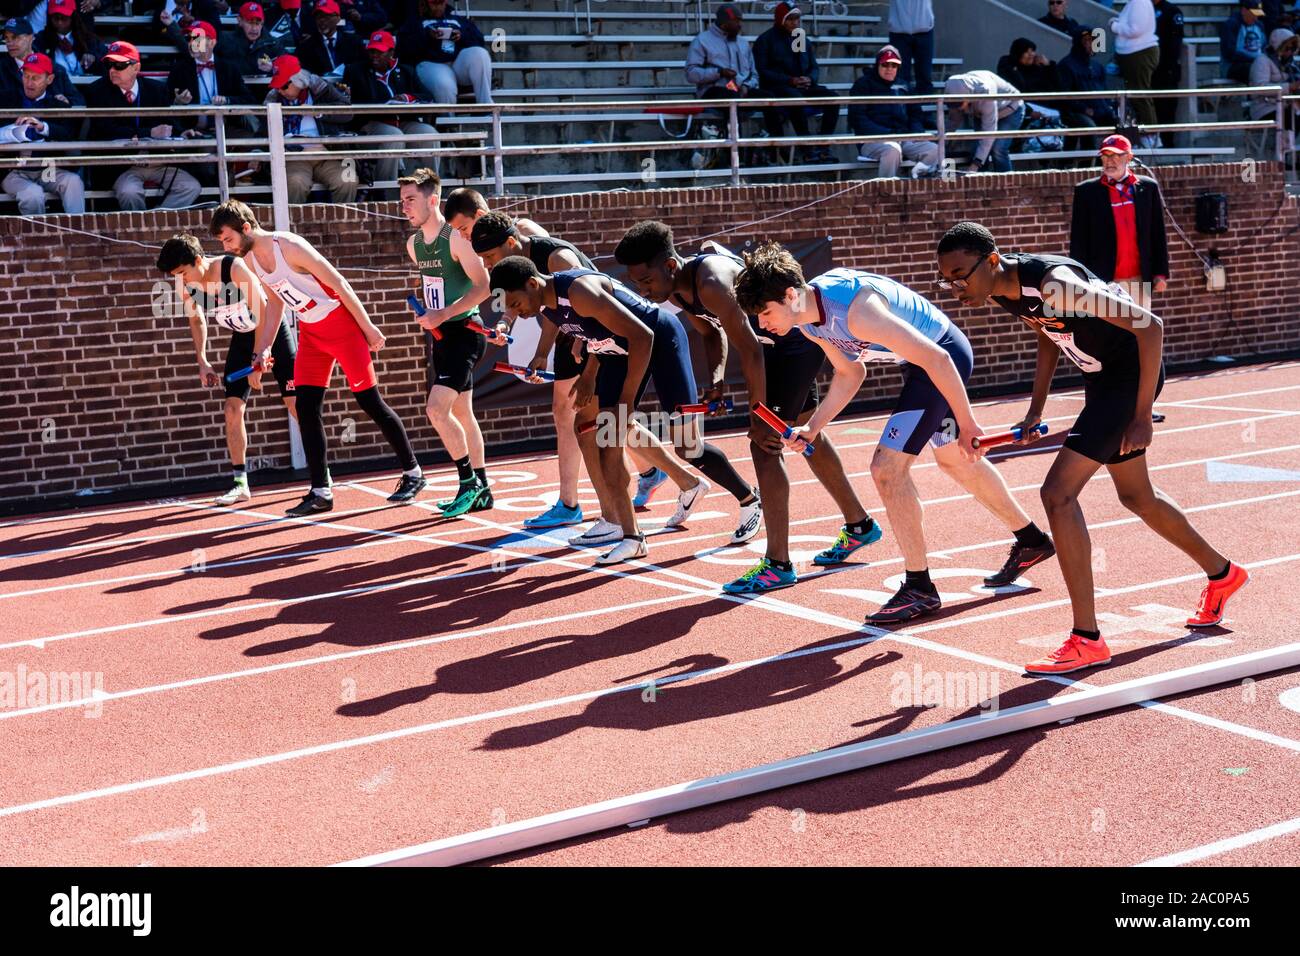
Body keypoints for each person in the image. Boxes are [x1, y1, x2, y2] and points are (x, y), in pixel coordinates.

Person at [937, 221, 1247, 675]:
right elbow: (1046, 332)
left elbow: (1150, 326)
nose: (953, 287)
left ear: (992, 261)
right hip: (1102, 381)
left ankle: (1087, 639)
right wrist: (1034, 410)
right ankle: (1223, 574)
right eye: (945, 279)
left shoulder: (1059, 286)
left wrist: (1142, 416)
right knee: (1136, 496)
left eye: (960, 275)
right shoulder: (1003, 289)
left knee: (1057, 494)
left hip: (1130, 378)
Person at [736, 242, 1055, 621]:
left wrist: (967, 421)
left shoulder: (856, 309)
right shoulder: (806, 318)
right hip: (919, 364)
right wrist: (813, 426)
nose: (762, 324)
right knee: (956, 462)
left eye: (765, 312)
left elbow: (938, 358)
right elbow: (851, 372)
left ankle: (919, 587)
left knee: (887, 469)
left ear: (790, 294)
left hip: (941, 356)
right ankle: (1032, 540)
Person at [617, 222, 884, 594]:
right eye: (636, 284)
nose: (642, 290)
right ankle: (860, 525)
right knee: (806, 431)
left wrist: (759, 414)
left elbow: (753, 349)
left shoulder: (710, 282)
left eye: (645, 281)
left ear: (671, 266)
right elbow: (712, 333)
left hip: (791, 341)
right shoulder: (677, 292)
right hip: (774, 346)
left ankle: (778, 564)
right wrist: (717, 377)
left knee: (765, 444)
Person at [489, 257, 717, 565]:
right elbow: (596, 334)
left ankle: (745, 499)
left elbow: (641, 336)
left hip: (657, 341)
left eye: (516, 304)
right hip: (616, 352)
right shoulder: (544, 302)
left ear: (533, 284)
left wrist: (626, 398)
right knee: (602, 442)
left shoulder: (580, 292)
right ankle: (629, 534)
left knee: (684, 442)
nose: (517, 313)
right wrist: (556, 362)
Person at [209, 199, 427, 515]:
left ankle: (413, 473)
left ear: (246, 228)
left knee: (369, 401)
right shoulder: (254, 261)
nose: (227, 248)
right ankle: (321, 491)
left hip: (342, 327)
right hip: (312, 334)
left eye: (228, 239)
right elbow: (274, 306)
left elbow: (338, 282)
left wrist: (368, 327)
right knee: (306, 407)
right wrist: (264, 349)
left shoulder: (289, 246)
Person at [156, 233, 299, 505]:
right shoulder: (184, 284)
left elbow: (261, 311)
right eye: (176, 275)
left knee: (295, 404)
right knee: (232, 408)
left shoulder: (233, 268)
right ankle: (240, 483)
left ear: (199, 260)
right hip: (243, 337)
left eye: (184, 273)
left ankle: (321, 476)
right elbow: (196, 318)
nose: (181, 280)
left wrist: (259, 358)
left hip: (270, 331)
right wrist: (202, 359)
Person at [398, 167, 496, 518]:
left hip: (464, 333)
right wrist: (429, 312)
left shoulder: (454, 238)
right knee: (462, 414)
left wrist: (444, 313)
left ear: (433, 200)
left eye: (411, 200)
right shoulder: (414, 245)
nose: (404, 207)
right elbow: (435, 286)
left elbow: (482, 286)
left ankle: (467, 482)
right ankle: (483, 489)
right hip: (441, 336)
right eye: (402, 201)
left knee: (436, 410)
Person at [85, 41, 204, 211]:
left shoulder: (156, 89)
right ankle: (141, 229)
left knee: (191, 187)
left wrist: (182, 132)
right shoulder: (96, 90)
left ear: (136, 68)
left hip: (158, 162)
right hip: (122, 165)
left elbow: (167, 123)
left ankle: (158, 219)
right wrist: (148, 132)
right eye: (109, 65)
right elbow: (104, 130)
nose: (112, 70)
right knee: (129, 192)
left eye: (119, 65)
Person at [1070, 133, 1170, 312]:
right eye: (1105, 156)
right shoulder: (1086, 192)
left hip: (1140, 279)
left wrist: (1160, 273)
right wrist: (1080, 279)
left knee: (1141, 332)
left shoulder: (1147, 188)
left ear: (1129, 157)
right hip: (1103, 280)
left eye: (1115, 155)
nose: (1109, 161)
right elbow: (1078, 241)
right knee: (1109, 336)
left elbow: (1157, 233)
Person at [341, 30, 439, 193]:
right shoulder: (355, 71)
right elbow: (351, 104)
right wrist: (384, 104)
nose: (374, 55)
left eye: (379, 51)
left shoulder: (406, 70)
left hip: (404, 121)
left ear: (391, 52)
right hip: (372, 124)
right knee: (394, 136)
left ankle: (432, 189)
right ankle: (385, 192)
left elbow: (427, 95)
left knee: (429, 133)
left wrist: (406, 98)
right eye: (372, 51)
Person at [264, 53, 358, 204]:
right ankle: (292, 226)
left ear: (298, 81)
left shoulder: (320, 88)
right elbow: (263, 129)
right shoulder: (273, 97)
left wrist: (318, 111)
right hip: (293, 156)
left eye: (284, 85)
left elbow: (348, 113)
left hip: (326, 153)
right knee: (295, 183)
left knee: (348, 180)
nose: (280, 90)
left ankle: (341, 225)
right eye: (277, 85)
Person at [753, 2, 838, 162]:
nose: (795, 23)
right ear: (780, 20)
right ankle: (807, 150)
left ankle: (823, 146)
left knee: (833, 98)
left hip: (802, 86)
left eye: (797, 18)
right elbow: (763, 72)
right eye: (790, 19)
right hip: (778, 87)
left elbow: (813, 66)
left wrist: (809, 78)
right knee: (795, 100)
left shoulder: (800, 37)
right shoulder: (765, 40)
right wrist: (790, 80)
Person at [0, 51, 83, 213]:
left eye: (36, 77)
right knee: (33, 195)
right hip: (13, 169)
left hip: (47, 169)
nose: (29, 82)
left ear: (49, 79)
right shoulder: (5, 99)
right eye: (26, 76)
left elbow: (68, 134)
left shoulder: (58, 105)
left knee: (73, 182)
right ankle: (37, 238)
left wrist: (42, 126)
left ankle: (79, 235)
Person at [849, 45, 938, 177]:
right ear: (877, 65)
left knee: (935, 149)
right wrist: (888, 134)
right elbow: (858, 119)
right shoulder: (862, 85)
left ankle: (917, 181)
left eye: (894, 65)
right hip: (872, 140)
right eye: (885, 64)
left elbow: (915, 114)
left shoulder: (904, 86)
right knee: (892, 150)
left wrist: (915, 133)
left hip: (903, 138)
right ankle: (886, 193)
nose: (889, 69)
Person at [396, 0, 492, 105]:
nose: (438, 7)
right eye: (434, 3)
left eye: (441, 3)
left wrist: (462, 35)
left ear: (445, 2)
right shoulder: (415, 21)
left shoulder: (457, 19)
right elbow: (404, 49)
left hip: (457, 63)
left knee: (480, 53)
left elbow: (479, 40)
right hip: (431, 64)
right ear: (426, 3)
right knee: (444, 84)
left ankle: (486, 106)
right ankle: (449, 120)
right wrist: (427, 35)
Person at [942, 70, 1025, 173]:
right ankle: (980, 183)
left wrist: (975, 165)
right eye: (952, 104)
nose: (957, 108)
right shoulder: (955, 89)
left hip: (1011, 108)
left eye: (959, 103)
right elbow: (953, 122)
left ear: (967, 96)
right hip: (982, 112)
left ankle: (1006, 184)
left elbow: (989, 134)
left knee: (998, 149)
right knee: (977, 149)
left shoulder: (986, 94)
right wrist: (940, 146)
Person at [1110, 0, 1161, 147]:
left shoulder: (1140, 2)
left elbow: (1135, 29)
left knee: (1140, 94)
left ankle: (1150, 137)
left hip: (1140, 52)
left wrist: (1115, 26)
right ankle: (1143, 136)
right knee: (1134, 96)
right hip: (1132, 53)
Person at [442, 186, 545, 243]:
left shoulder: (525, 230)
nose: (462, 236)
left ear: (480, 215)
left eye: (464, 229)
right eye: (458, 231)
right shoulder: (483, 244)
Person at [215, 3, 284, 78]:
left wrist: (272, 68)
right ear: (239, 21)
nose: (254, 29)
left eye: (257, 23)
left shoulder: (272, 43)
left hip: (264, 89)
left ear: (262, 23)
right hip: (233, 88)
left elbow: (289, 69)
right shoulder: (224, 40)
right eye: (250, 22)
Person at [295, 0, 363, 76]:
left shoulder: (354, 42)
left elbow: (362, 69)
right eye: (318, 17)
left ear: (338, 18)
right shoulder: (306, 47)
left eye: (326, 16)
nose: (321, 20)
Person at [888, 0, 935, 95]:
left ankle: (925, 106)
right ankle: (902, 108)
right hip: (899, 30)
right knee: (901, 76)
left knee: (924, 74)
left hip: (924, 29)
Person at [1151, 0, 1186, 128]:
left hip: (1166, 69)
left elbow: (1176, 42)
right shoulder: (1143, 8)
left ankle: (1167, 142)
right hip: (1149, 68)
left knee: (1167, 109)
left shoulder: (1172, 11)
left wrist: (1169, 66)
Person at [1220, 2, 1269, 83]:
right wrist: (1254, 60)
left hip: (1256, 63)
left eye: (1257, 15)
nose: (1256, 18)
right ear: (1243, 11)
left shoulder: (1259, 25)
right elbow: (1229, 53)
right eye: (1254, 14)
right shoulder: (1231, 24)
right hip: (1233, 66)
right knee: (1256, 69)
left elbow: (1264, 47)